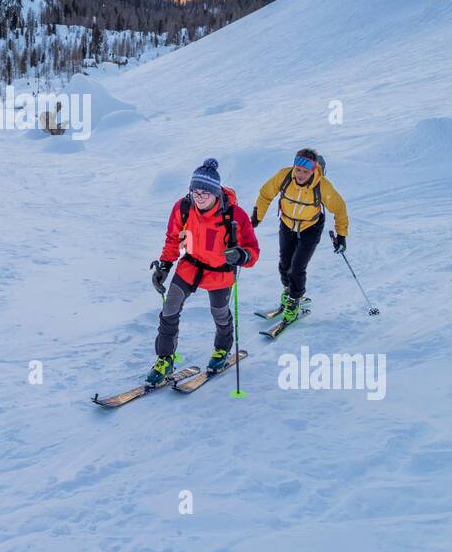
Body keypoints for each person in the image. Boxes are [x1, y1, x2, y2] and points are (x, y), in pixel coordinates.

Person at [146, 158, 259, 386]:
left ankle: (221, 350)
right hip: (191, 265)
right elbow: (172, 239)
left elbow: (252, 250)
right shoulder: (183, 207)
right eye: (195, 191)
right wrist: (165, 266)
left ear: (216, 193)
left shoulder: (235, 215)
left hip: (220, 271)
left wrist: (242, 256)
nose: (199, 197)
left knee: (219, 313)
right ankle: (165, 359)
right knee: (169, 308)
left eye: (204, 192)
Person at [251, 147, 348, 319]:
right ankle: (289, 293)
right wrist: (257, 216)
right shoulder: (284, 176)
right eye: (298, 170)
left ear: (313, 171)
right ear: (293, 167)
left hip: (310, 227)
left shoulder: (322, 186)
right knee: (284, 264)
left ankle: (294, 302)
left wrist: (341, 236)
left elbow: (339, 209)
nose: (300, 175)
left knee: (297, 268)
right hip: (287, 223)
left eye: (305, 171)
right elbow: (266, 194)